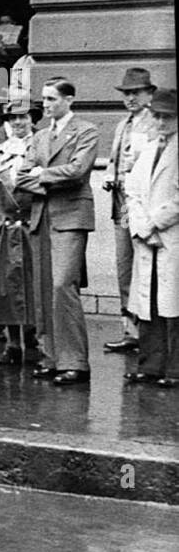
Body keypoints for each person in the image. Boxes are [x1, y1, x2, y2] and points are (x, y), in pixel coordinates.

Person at [18, 79, 100, 386]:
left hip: (70, 216)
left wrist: (42, 175)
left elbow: (79, 171)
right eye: (44, 99)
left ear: (69, 100)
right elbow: (21, 177)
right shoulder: (40, 136)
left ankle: (75, 361)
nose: (47, 104)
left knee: (63, 285)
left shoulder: (86, 130)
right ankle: (50, 355)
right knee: (43, 288)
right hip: (42, 216)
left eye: (52, 99)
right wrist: (45, 177)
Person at [122, 87, 179, 387]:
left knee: (173, 305)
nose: (160, 122)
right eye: (156, 116)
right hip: (149, 239)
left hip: (171, 236)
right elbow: (132, 190)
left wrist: (153, 224)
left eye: (167, 117)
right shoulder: (148, 148)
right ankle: (150, 365)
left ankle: (174, 369)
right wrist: (141, 226)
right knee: (149, 304)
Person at [103, 67, 157, 354]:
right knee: (125, 263)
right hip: (122, 204)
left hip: (145, 204)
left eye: (136, 92)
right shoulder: (122, 124)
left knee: (145, 263)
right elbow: (113, 159)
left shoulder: (155, 123)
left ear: (149, 93)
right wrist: (111, 175)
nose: (130, 98)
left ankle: (152, 332)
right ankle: (130, 329)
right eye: (127, 93)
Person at [0, 101, 40, 365]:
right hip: (5, 225)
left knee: (34, 284)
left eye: (23, 117)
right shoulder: (0, 152)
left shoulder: (40, 146)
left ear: (32, 119)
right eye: (13, 118)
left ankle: (38, 339)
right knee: (5, 287)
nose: (18, 123)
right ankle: (12, 343)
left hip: (32, 224)